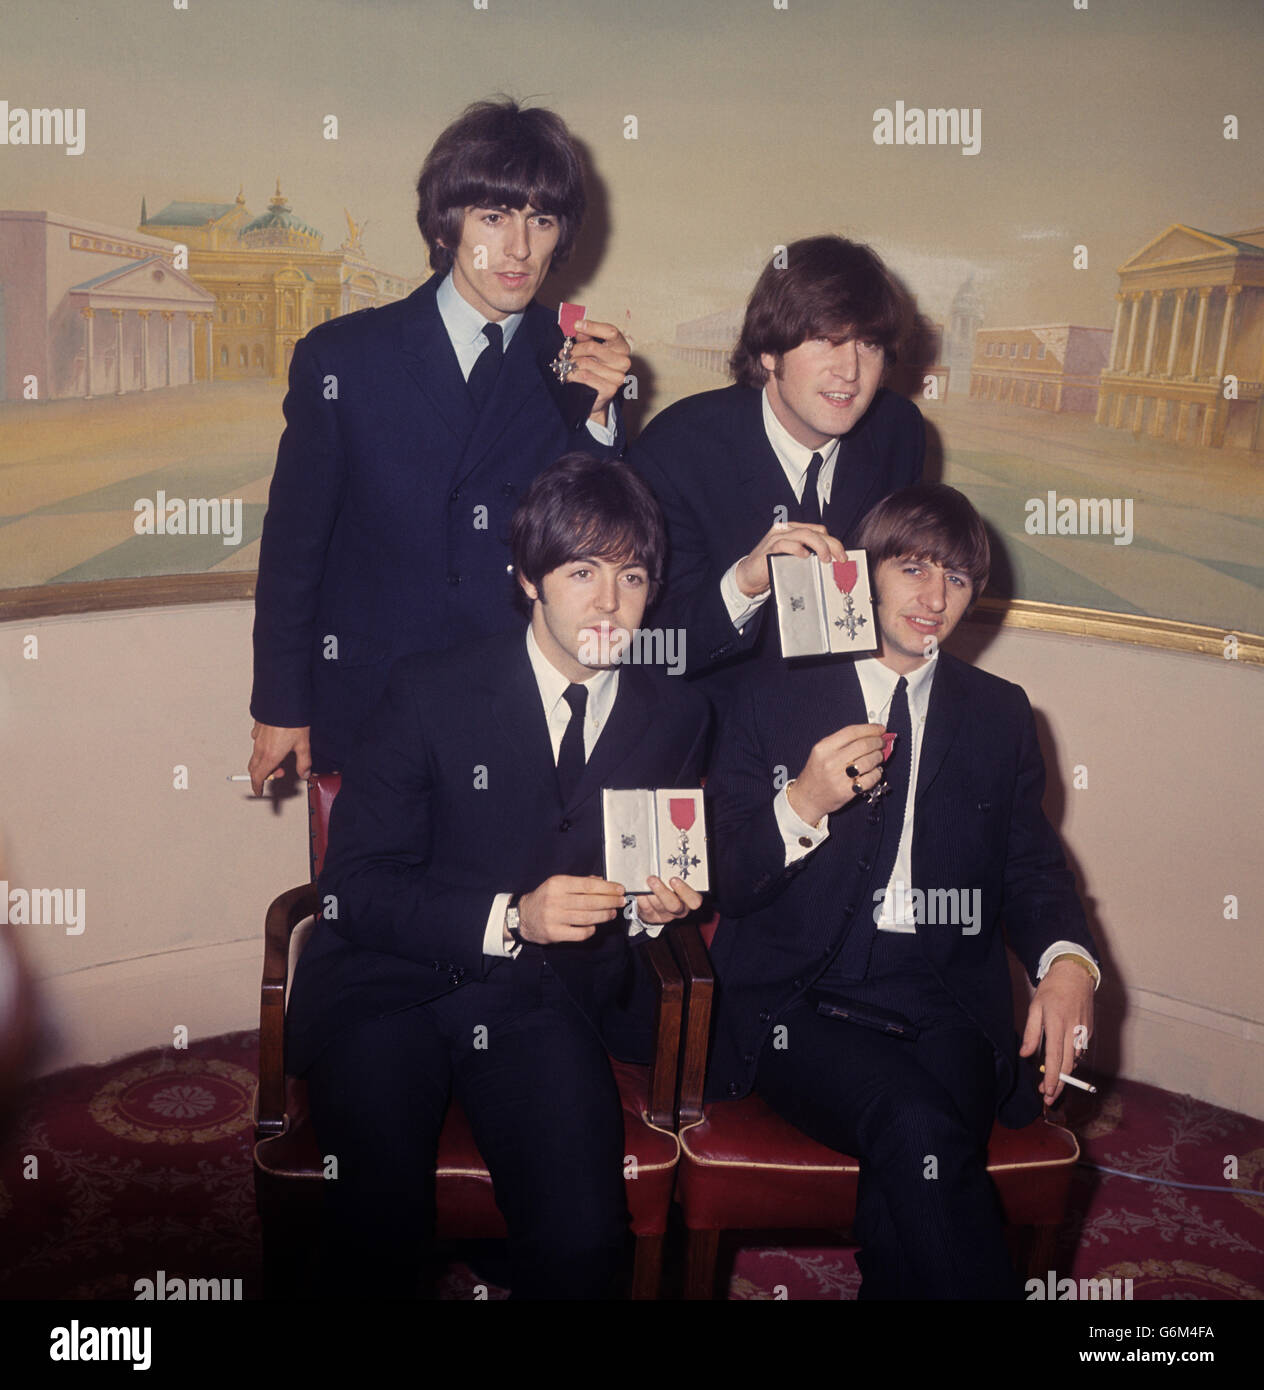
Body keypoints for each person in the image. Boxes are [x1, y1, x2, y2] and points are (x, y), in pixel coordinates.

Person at [285, 455, 710, 1298]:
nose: (608, 601)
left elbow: (646, 878)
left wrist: (658, 910)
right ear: (527, 578)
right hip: (389, 983)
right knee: (374, 1230)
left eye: (631, 575)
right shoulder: (429, 690)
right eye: (580, 571)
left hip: (537, 1001)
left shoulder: (676, 716)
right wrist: (510, 916)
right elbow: (354, 890)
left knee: (588, 1242)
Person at [704, 483, 1098, 1299]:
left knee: (916, 1179)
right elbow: (731, 882)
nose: (933, 597)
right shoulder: (770, 694)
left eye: (955, 578)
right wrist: (803, 802)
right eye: (912, 567)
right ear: (866, 572)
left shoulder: (998, 714)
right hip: (803, 1004)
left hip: (944, 1002)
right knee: (920, 1127)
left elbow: (1031, 867)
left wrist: (1068, 964)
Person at [248, 97, 632, 787]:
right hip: (372, 705)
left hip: (522, 709)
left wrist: (600, 420)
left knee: (520, 900)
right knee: (375, 895)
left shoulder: (576, 359)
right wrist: (281, 703)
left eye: (540, 220)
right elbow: (292, 549)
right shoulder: (343, 358)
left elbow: (596, 550)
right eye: (493, 217)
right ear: (447, 225)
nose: (517, 248)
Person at [629, 235, 925, 708]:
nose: (850, 370)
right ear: (768, 352)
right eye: (827, 340)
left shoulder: (899, 432)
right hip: (713, 734)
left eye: (868, 344)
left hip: (850, 720)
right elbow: (651, 648)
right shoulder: (676, 450)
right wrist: (743, 583)